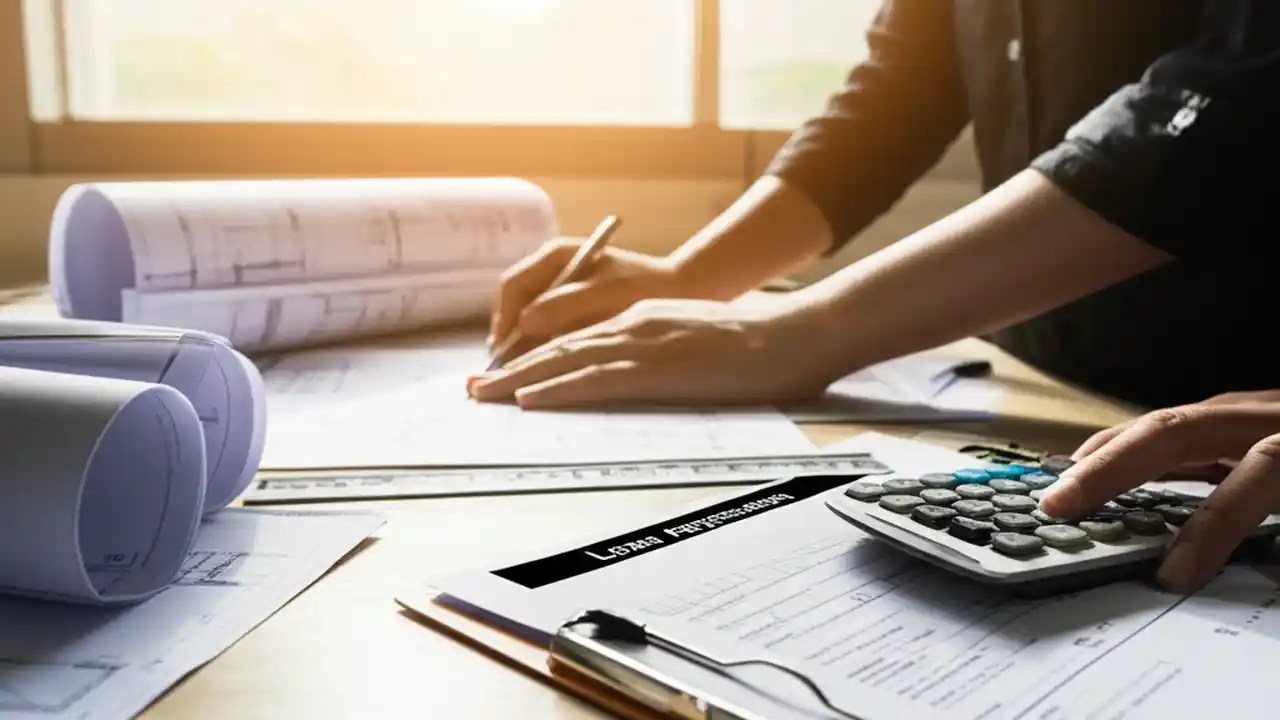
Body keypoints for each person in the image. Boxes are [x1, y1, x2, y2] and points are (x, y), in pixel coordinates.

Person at [468, 0, 1280, 593]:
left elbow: (1223, 106)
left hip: (1237, 405)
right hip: (1040, 377)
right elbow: (901, 87)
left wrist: (797, 334)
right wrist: (691, 277)